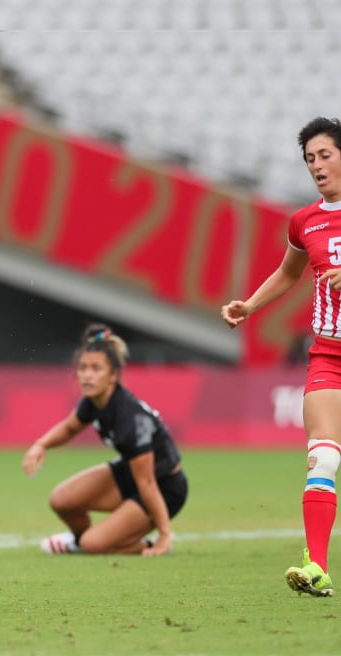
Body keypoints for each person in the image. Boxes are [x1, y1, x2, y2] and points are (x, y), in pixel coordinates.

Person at [221, 116, 341, 597]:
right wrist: (249, 305)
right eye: (309, 158)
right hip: (329, 356)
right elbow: (289, 273)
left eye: (325, 154)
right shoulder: (305, 220)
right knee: (323, 456)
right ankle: (318, 568)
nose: (316, 165)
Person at [21, 323, 187, 556]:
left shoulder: (129, 419)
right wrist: (41, 445)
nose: (87, 375)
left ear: (113, 376)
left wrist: (164, 535)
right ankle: (81, 540)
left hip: (164, 488)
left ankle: (144, 544)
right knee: (61, 500)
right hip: (132, 474)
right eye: (83, 368)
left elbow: (148, 483)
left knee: (93, 545)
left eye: (96, 368)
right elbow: (69, 429)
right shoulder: (93, 402)